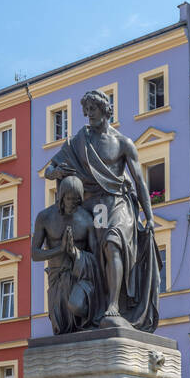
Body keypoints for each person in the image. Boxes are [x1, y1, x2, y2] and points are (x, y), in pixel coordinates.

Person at [44, 89, 161, 332]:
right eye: (86, 112)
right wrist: (54, 173)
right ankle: (88, 309)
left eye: (93, 110)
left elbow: (139, 182)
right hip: (93, 206)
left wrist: (149, 217)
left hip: (117, 202)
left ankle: (113, 306)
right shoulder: (80, 140)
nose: (88, 116)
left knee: (112, 243)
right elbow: (50, 167)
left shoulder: (123, 143)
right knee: (93, 253)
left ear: (105, 110)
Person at [31, 175, 105, 333]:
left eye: (77, 200)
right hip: (56, 276)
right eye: (69, 199)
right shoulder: (45, 217)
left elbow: (95, 257)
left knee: (76, 306)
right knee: (61, 325)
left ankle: (93, 325)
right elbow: (35, 254)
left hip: (81, 276)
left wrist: (74, 253)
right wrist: (60, 249)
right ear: (61, 196)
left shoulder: (86, 220)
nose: (73, 203)